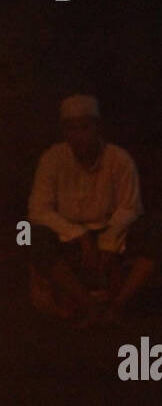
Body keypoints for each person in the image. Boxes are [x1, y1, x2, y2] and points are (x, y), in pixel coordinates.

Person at [28, 94, 158, 322]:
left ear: (97, 128)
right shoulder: (52, 159)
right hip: (68, 235)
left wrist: (109, 241)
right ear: (64, 132)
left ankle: (118, 304)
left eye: (85, 128)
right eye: (71, 129)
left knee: (156, 230)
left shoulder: (119, 159)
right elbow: (39, 210)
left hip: (112, 229)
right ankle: (87, 305)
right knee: (35, 238)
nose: (79, 136)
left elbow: (130, 207)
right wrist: (80, 236)